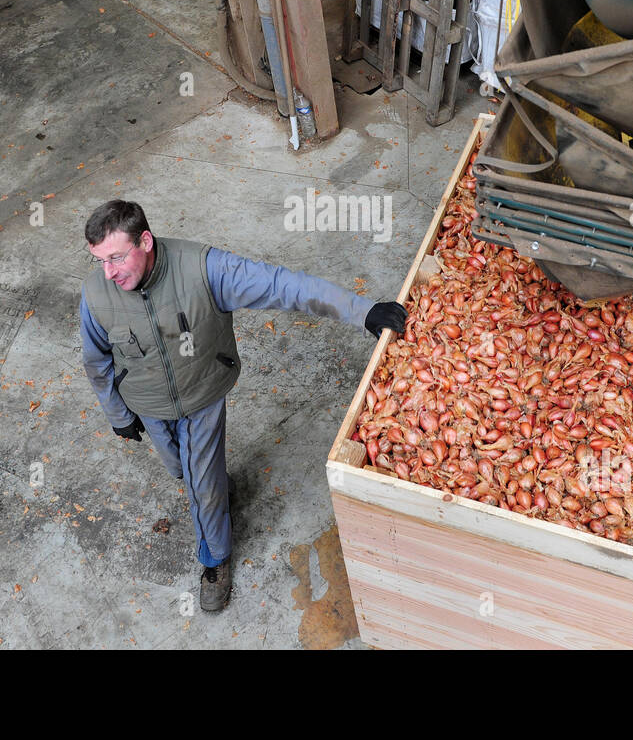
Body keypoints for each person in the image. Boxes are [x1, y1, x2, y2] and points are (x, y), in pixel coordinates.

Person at [79, 200, 407, 612]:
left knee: (203, 486)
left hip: (201, 394)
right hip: (147, 404)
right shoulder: (96, 294)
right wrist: (118, 415)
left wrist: (362, 311)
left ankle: (214, 560)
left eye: (116, 258)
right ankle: (213, 485)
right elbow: (96, 361)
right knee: (181, 470)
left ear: (145, 240)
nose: (108, 273)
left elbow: (284, 287)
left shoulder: (203, 269)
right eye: (99, 261)